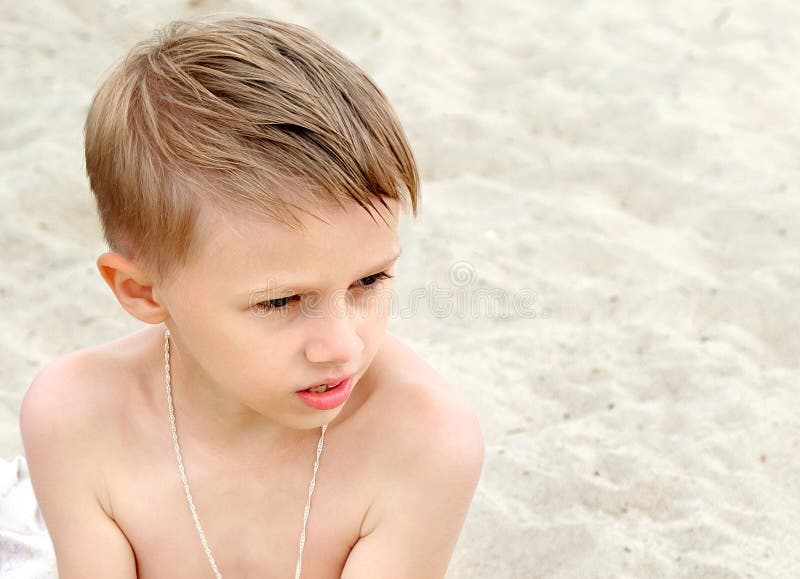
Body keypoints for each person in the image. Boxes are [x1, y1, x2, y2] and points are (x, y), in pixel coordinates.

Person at [18, 15, 484, 579]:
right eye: (281, 302)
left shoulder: (422, 440)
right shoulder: (77, 419)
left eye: (369, 281)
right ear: (142, 291)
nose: (341, 346)